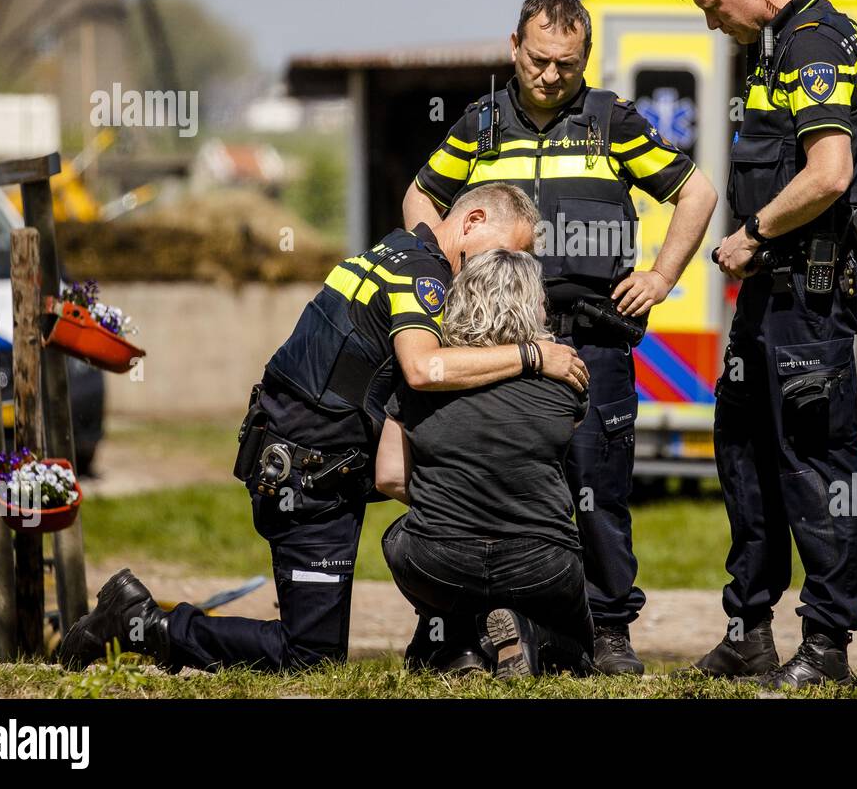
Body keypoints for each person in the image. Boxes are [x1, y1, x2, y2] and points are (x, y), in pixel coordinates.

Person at [60, 182, 588, 673]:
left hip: (315, 462)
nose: (505, 266)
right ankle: (144, 626)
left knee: (452, 524)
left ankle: (449, 647)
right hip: (307, 478)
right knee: (310, 654)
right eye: (508, 250)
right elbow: (424, 369)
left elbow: (419, 198)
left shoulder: (399, 249)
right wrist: (531, 354)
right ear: (471, 221)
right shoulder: (421, 274)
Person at [403, 0, 718, 674]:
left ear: (586, 61)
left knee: (597, 486)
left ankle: (607, 631)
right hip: (491, 345)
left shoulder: (613, 122)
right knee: (483, 481)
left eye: (567, 66)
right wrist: (438, 274)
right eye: (540, 60)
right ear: (513, 46)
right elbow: (421, 197)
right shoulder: (479, 124)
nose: (551, 76)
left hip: (590, 344)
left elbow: (697, 192)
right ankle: (474, 630)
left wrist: (662, 278)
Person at [675, 0, 857, 688]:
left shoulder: (812, 43)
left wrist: (754, 231)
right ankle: (748, 633)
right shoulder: (779, 45)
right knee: (745, 452)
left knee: (815, 461)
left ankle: (827, 649)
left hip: (810, 287)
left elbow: (830, 173)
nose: (712, 23)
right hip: (776, 289)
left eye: (713, 7)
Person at [376, 248, 594, 677]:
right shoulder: (567, 381)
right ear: (532, 306)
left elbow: (387, 478)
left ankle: (461, 646)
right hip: (542, 562)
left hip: (435, 558)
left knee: (398, 539)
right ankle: (529, 634)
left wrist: (454, 504)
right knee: (581, 651)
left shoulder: (420, 380)